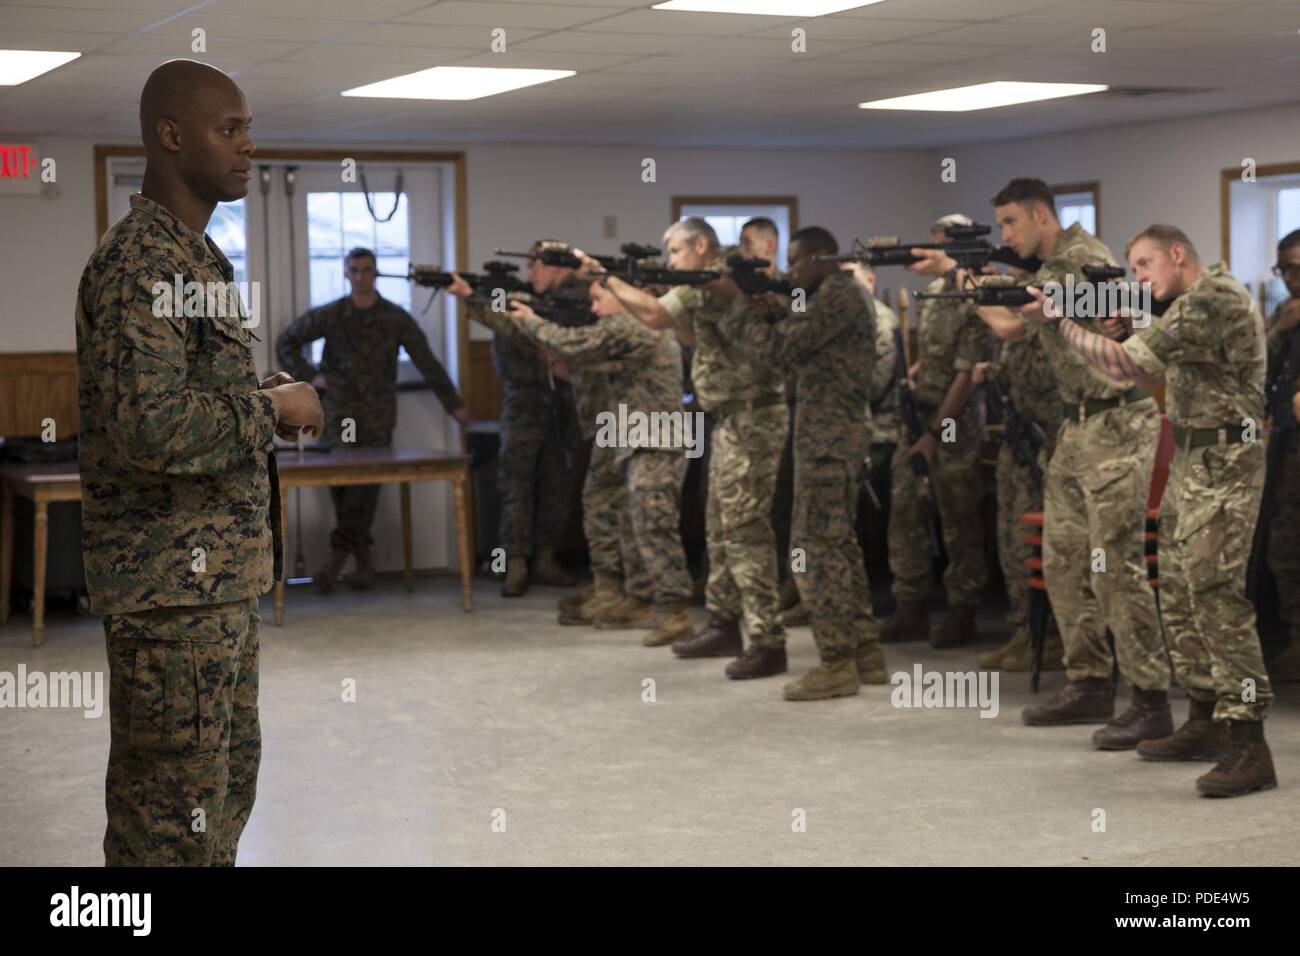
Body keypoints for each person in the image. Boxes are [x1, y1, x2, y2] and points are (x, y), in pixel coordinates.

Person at [76, 59, 324, 864]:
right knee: (168, 813)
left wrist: (258, 396)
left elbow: (186, 395)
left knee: (219, 791)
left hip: (214, 582)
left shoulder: (194, 258)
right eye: (231, 129)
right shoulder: (139, 264)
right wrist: (269, 409)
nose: (249, 146)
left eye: (249, 127)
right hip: (169, 590)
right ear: (170, 137)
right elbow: (145, 430)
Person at [914, 179, 1168, 748]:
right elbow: (1014, 306)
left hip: (1116, 421)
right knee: (1064, 561)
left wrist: (959, 274)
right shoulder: (1049, 266)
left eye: (1010, 223)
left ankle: (1150, 700)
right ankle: (1089, 681)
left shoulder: (1082, 261)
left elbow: (1008, 323)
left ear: (1040, 215)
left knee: (1115, 568)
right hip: (1075, 425)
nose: (1005, 234)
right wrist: (971, 274)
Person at [1027, 224, 1276, 797]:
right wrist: (1129, 326)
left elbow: (1119, 365)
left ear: (1178, 254)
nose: (1137, 278)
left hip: (1225, 461)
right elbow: (1147, 370)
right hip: (1192, 456)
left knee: (1216, 596)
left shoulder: (1213, 298)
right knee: (1182, 591)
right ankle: (1206, 718)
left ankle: (1249, 741)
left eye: (1143, 266)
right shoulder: (1185, 306)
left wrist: (1062, 320)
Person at [593, 218, 790, 680]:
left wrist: (610, 281)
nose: (670, 259)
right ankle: (724, 623)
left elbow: (655, 316)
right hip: (726, 417)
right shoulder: (702, 285)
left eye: (675, 251)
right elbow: (688, 335)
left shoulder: (732, 277)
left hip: (754, 415)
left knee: (745, 529)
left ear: (702, 245)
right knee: (718, 524)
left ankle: (768, 639)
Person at [722, 227, 886, 699]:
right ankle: (865, 651)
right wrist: (768, 305)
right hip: (830, 437)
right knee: (838, 545)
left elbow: (782, 350)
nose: (790, 272)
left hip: (828, 440)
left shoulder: (840, 294)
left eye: (796, 263)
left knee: (814, 549)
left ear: (820, 257)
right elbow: (798, 325)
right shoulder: (830, 295)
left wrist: (740, 311)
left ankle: (836, 661)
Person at [506, 279, 695, 646]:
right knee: (631, 520)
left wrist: (530, 320)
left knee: (654, 524)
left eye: (597, 299)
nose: (592, 308)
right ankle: (636, 599)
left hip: (656, 434)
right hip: (634, 431)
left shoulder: (635, 323)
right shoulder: (632, 328)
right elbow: (591, 362)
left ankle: (677, 612)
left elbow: (573, 344)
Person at [276, 247, 470, 591]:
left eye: (367, 270)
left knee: (366, 490)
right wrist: (311, 377)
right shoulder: (334, 314)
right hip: (338, 415)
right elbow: (287, 341)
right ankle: (361, 558)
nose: (361, 277)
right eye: (355, 270)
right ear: (347, 274)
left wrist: (453, 404)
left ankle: (339, 557)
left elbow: (426, 361)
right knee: (341, 488)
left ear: (376, 273)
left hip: (377, 416)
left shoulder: (394, 317)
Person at [446, 239, 580, 596]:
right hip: (522, 403)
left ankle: (546, 558)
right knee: (515, 485)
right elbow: (503, 322)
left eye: (538, 264)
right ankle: (515, 563)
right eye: (530, 264)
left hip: (562, 403)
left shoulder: (570, 303)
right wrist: (470, 295)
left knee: (558, 483)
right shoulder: (514, 300)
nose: (531, 271)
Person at [880, 213, 988, 649]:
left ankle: (964, 609)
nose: (929, 250)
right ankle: (910, 606)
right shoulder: (936, 294)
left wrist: (935, 431)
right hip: (920, 413)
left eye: (939, 243)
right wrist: (915, 377)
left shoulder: (975, 294)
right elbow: (938, 354)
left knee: (957, 513)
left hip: (953, 423)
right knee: (904, 509)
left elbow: (965, 373)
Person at [1262, 229, 1300, 682]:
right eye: (1284, 269)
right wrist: (1280, 330)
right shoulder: (1283, 314)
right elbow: (1258, 372)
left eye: (1297, 269)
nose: (1291, 279)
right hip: (1288, 448)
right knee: (1284, 546)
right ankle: (1294, 639)